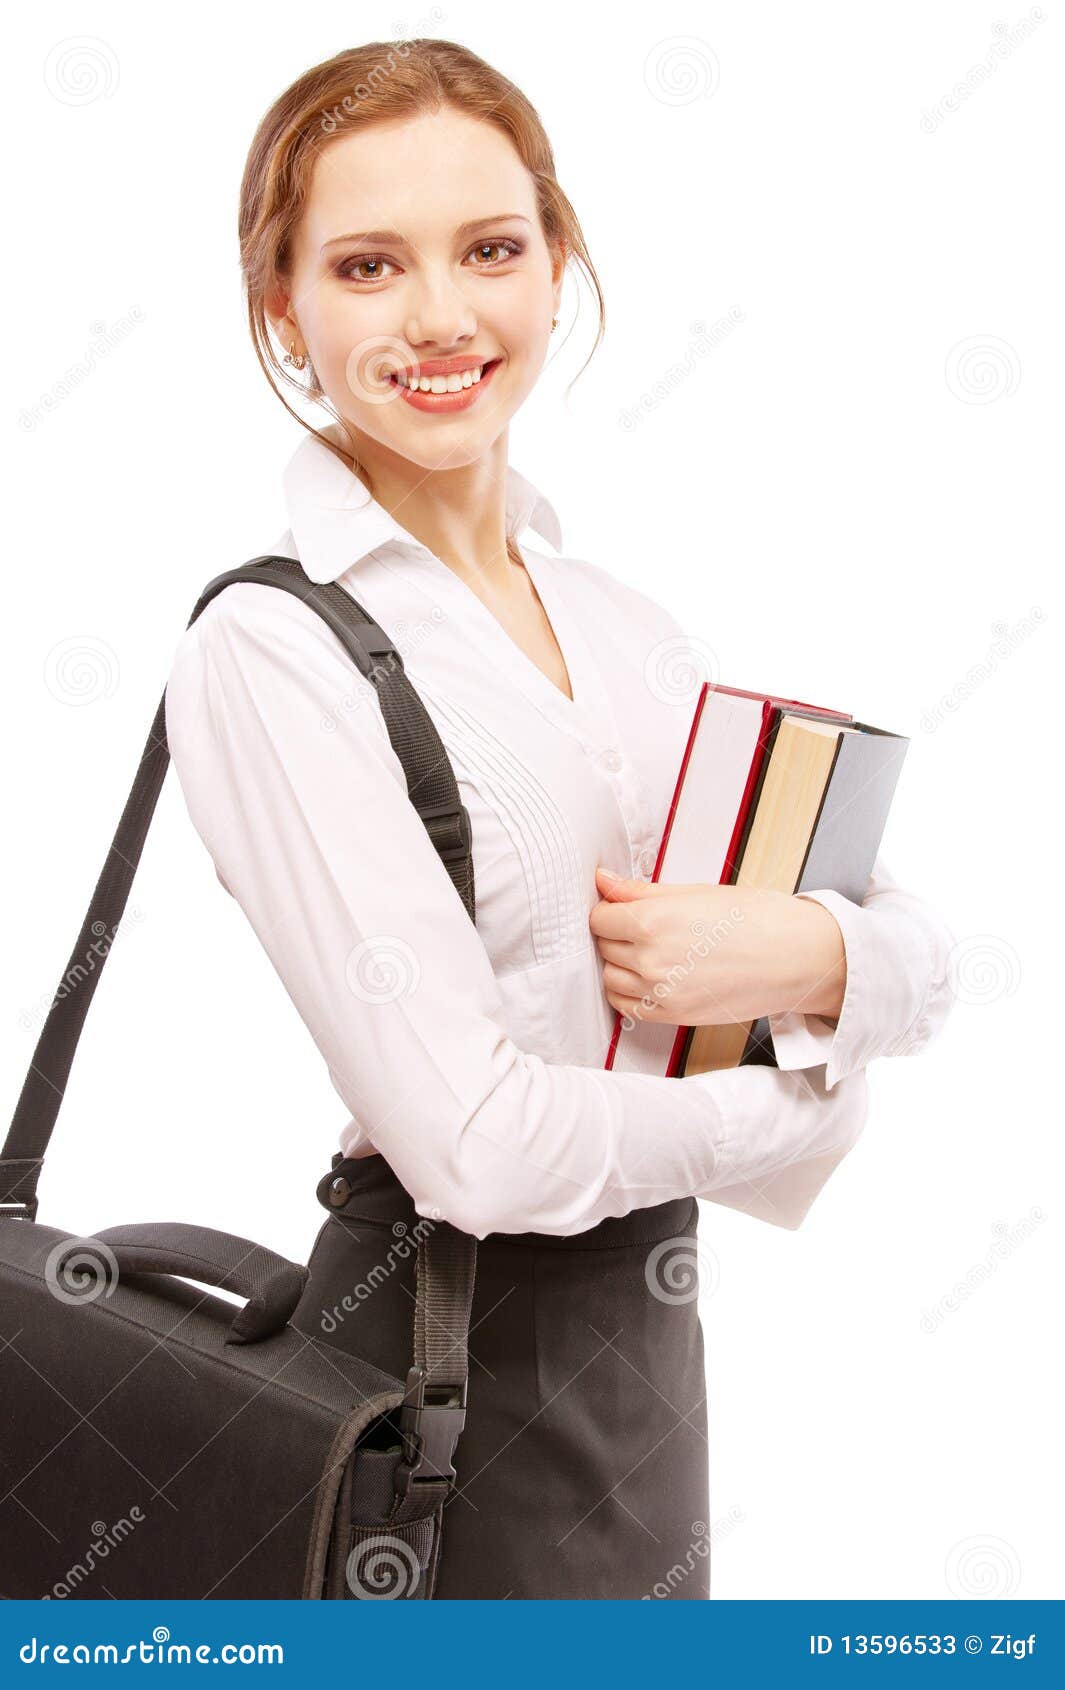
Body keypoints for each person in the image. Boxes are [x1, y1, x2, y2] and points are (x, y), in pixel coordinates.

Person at [164, 39, 956, 1599]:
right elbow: (477, 1148)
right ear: (286, 314)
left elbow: (922, 955)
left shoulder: (619, 624)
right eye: (369, 264)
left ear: (556, 264)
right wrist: (810, 1082)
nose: (442, 315)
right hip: (431, 1371)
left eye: (490, 250)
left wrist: (801, 946)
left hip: (645, 1356)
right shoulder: (269, 646)